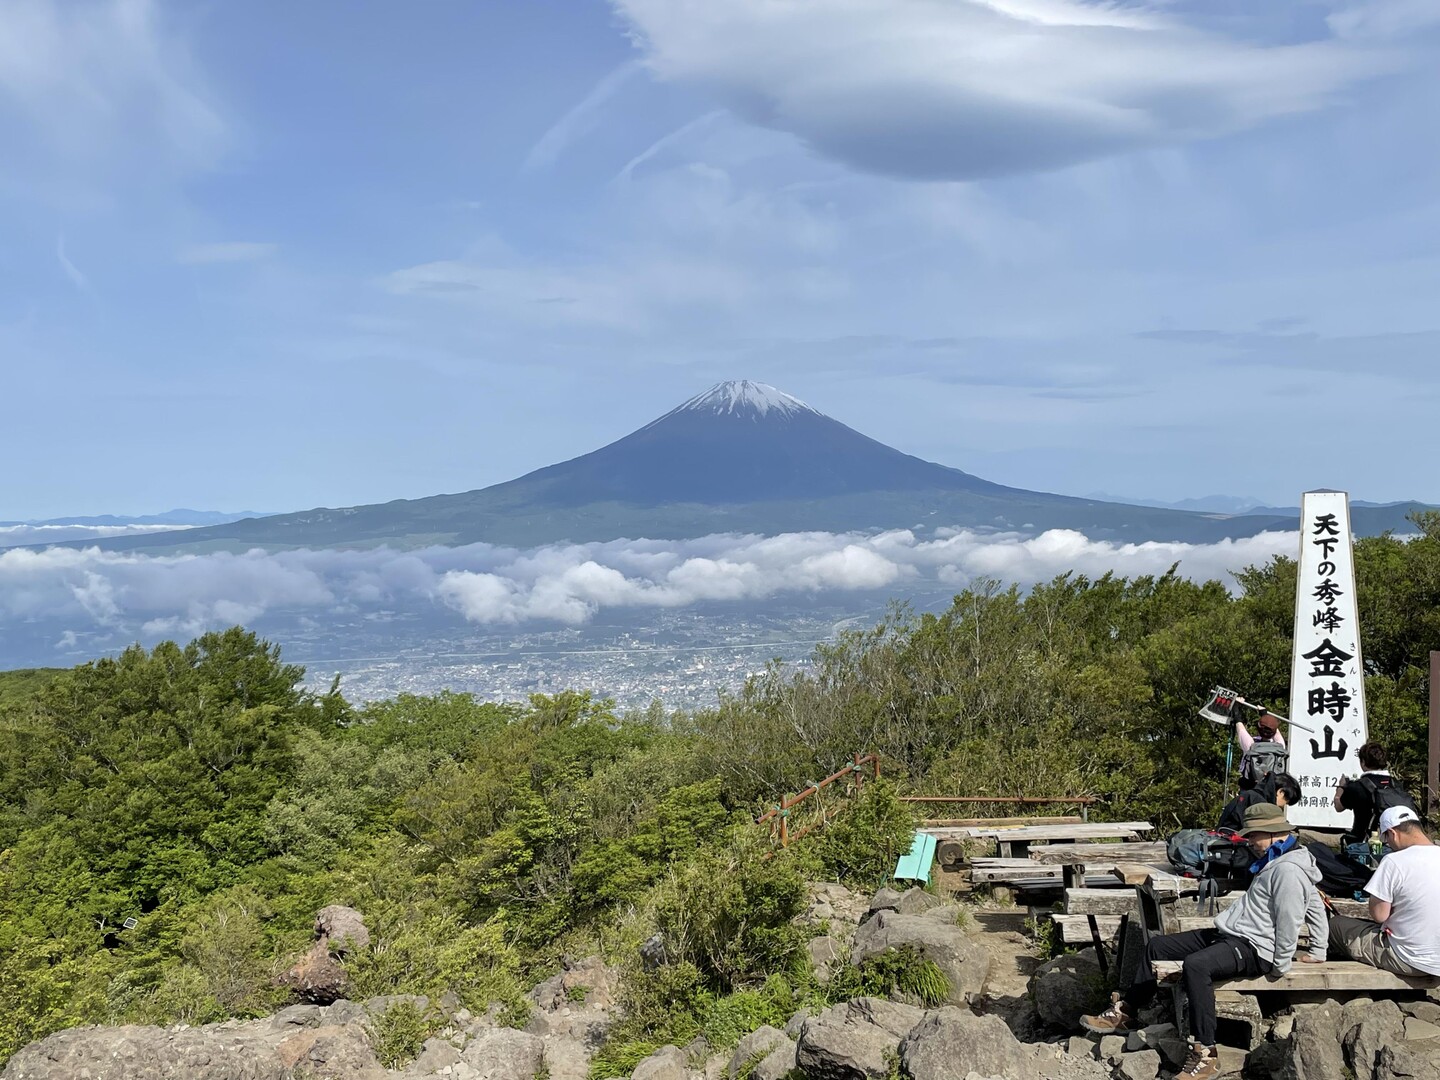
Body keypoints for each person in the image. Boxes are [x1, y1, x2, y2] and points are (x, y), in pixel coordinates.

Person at [1081, 803, 1326, 1079]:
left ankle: (1205, 1052)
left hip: (1256, 947)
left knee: (1196, 966)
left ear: (1271, 833)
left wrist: (1280, 965)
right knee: (1158, 946)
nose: (1249, 842)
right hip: (1234, 934)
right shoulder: (1281, 859)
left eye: (1252, 836)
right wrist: (1320, 947)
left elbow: (1290, 920)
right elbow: (1315, 903)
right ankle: (1127, 1011)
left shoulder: (1287, 871)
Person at [1328, 806, 1440, 978]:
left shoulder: (1394, 861)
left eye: (1387, 841)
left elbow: (1380, 915)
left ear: (1392, 833)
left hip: (1409, 959)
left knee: (1335, 925)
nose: (1390, 846)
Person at [1333, 742, 1418, 847]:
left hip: (1364, 845)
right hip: (1394, 844)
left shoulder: (1358, 787)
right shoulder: (1396, 784)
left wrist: (1341, 787)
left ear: (1363, 762)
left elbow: (1338, 806)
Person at [1217, 772, 1300, 834]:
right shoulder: (1258, 802)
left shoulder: (1253, 795)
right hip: (1233, 844)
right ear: (1280, 792)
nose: (1283, 805)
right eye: (1286, 801)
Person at [1236, 711, 1287, 790]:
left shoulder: (1251, 746)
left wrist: (1236, 709)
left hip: (1250, 788)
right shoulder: (1280, 747)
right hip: (1271, 789)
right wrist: (1264, 714)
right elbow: (1275, 731)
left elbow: (1240, 728)